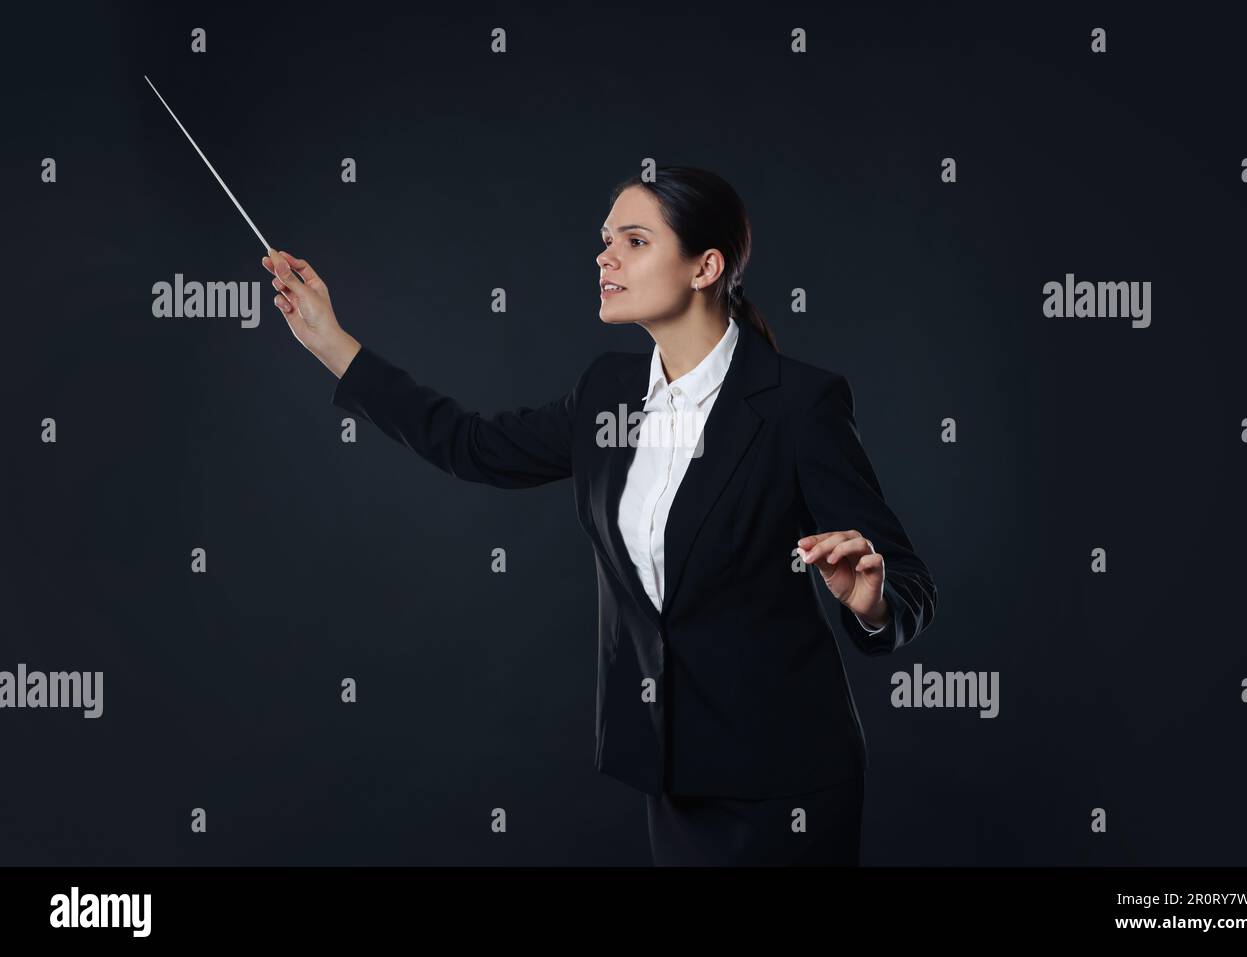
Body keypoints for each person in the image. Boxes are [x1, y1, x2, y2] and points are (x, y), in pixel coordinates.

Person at [261, 166, 938, 866]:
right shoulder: (606, 394)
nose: (604, 257)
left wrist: (873, 602)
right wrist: (331, 342)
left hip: (788, 781)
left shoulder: (798, 403)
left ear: (706, 267)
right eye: (606, 239)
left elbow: (908, 581)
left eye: (634, 241)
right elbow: (471, 445)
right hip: (672, 776)